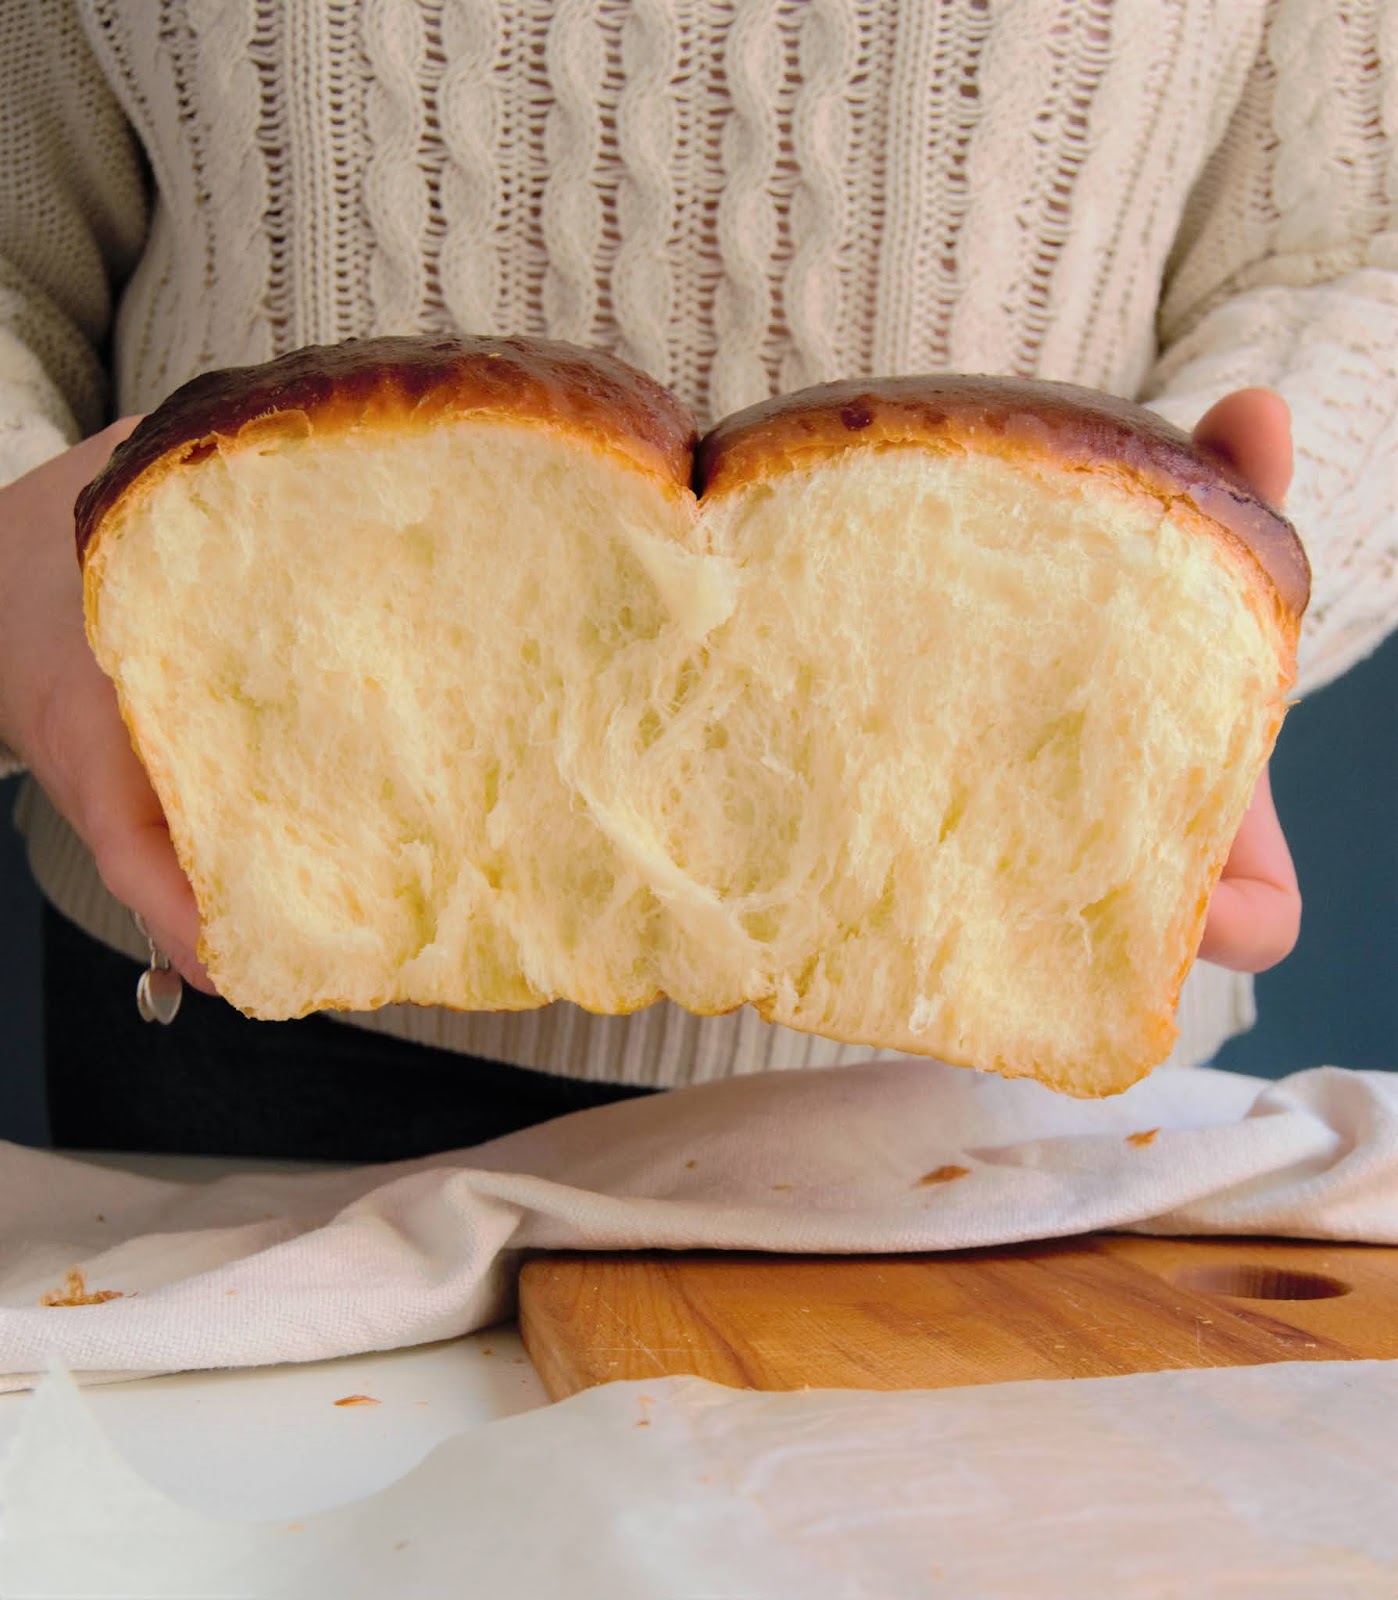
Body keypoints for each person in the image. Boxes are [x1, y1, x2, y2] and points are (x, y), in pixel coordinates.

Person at [1, 0, 1393, 1161]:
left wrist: (1200, 634)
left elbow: (1353, 249)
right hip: (231, 1022)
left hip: (998, 1070)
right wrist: (23, 554)